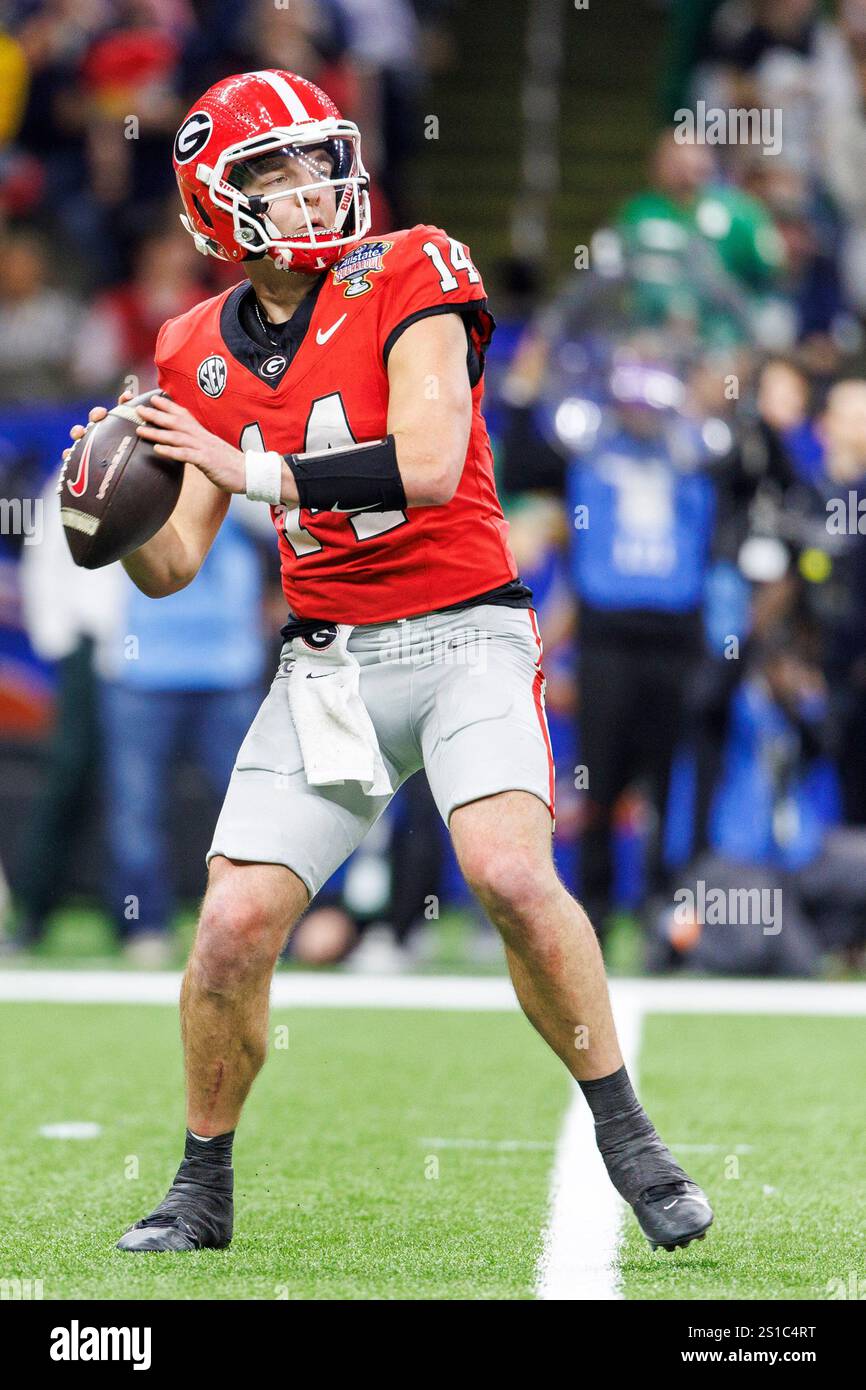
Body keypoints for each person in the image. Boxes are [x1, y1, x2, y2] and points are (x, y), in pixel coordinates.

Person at [65, 69, 712, 1256]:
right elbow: (176, 561)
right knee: (230, 925)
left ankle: (630, 1138)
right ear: (215, 203)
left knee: (507, 871)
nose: (311, 186)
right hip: (327, 664)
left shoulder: (413, 266)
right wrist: (100, 523)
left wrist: (249, 468)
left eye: (317, 159)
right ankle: (200, 1186)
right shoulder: (192, 346)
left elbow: (425, 461)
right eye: (274, 170)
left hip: (464, 630)